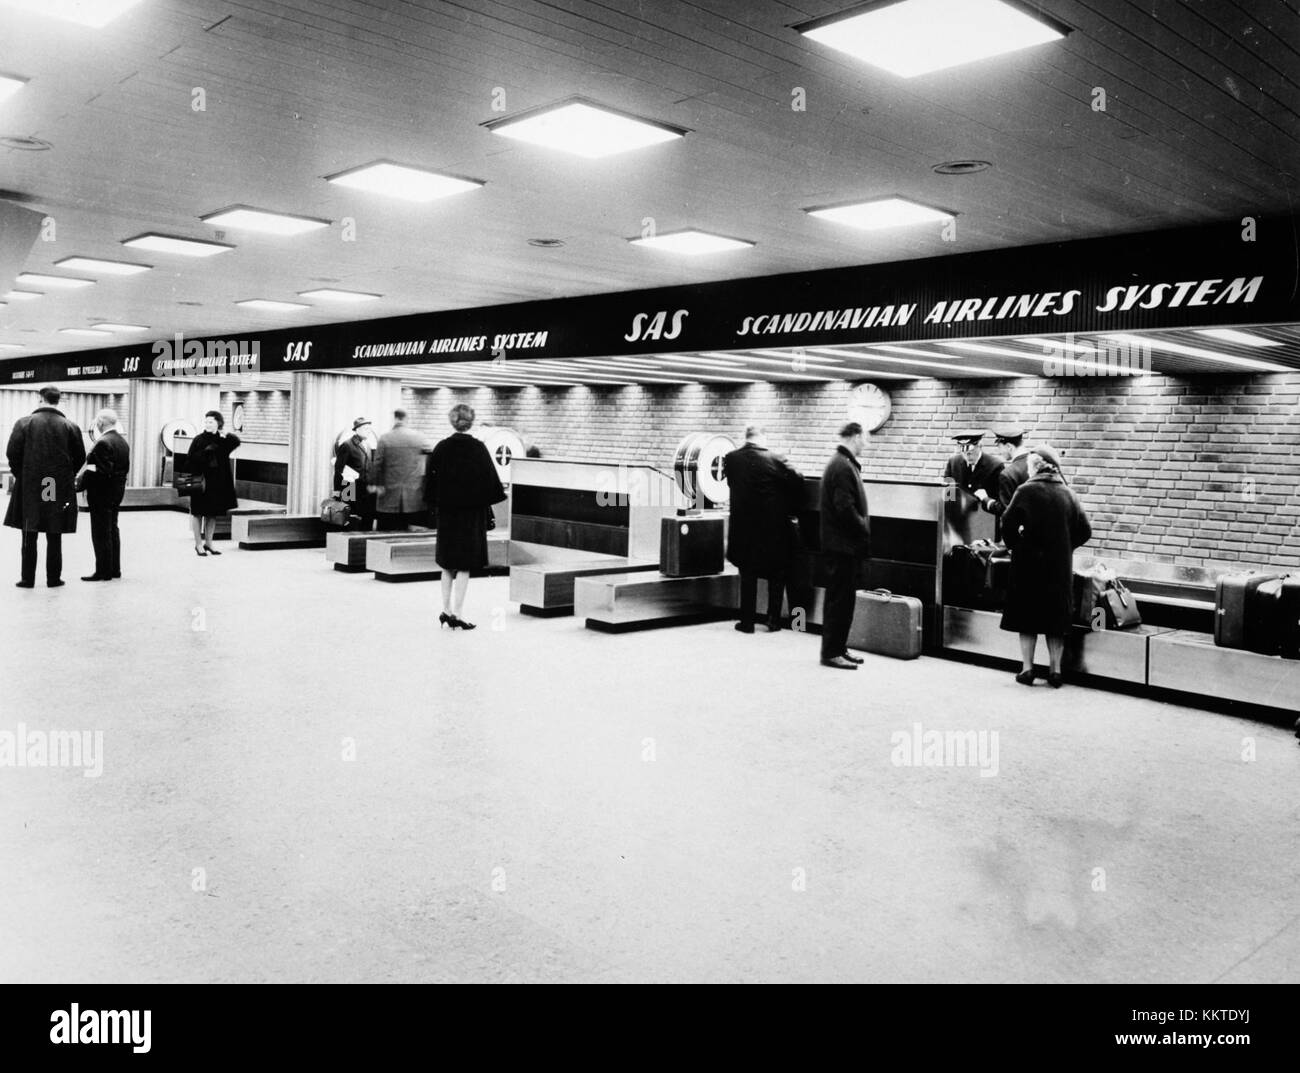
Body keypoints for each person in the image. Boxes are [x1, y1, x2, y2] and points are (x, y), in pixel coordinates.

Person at [999, 445, 1091, 688]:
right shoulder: (1068, 494)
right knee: (1055, 619)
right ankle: (1055, 671)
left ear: (1034, 467)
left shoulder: (1025, 491)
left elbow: (1006, 523)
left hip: (1027, 565)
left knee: (1026, 618)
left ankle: (1027, 669)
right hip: (1057, 567)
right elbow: (1085, 530)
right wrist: (1066, 547)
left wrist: (1015, 544)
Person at [424, 404, 506, 630]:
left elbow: (430, 484)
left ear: (452, 421)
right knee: (465, 564)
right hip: (471, 515)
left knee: (446, 562)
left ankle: (445, 610)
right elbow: (491, 484)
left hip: (448, 514)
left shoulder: (441, 447)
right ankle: (458, 614)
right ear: (471, 421)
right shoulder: (478, 448)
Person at [724, 423, 804, 633]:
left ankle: (747, 622)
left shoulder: (731, 458)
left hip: (743, 529)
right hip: (773, 530)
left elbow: (732, 484)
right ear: (763, 438)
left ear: (747, 437)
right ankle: (774, 620)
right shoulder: (776, 459)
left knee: (747, 575)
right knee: (777, 574)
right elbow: (798, 478)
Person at [4, 385, 86, 588]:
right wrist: (68, 475)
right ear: (58, 401)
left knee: (28, 533)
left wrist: (21, 474)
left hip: (30, 486)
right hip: (56, 487)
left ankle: (27, 578)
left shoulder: (24, 423)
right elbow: (80, 456)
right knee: (54, 533)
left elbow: (12, 453)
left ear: (40, 399)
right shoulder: (70, 426)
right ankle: (53, 578)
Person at [818, 422, 871, 669]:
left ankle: (838, 647)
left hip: (841, 546)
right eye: (865, 438)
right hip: (842, 547)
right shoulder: (842, 466)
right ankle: (831, 652)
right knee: (839, 601)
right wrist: (862, 527)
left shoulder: (842, 462)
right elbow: (844, 507)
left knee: (842, 600)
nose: (866, 443)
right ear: (856, 436)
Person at [80, 408, 130, 582]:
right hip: (116, 493)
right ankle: (114, 569)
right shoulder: (122, 442)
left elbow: (99, 471)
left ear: (101, 422)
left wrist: (81, 483)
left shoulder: (102, 442)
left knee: (100, 532)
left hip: (101, 495)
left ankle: (103, 571)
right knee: (112, 530)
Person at [182, 410, 240, 556]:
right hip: (201, 482)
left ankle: (209, 543)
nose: (207, 424)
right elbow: (190, 459)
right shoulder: (198, 439)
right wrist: (206, 453)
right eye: (206, 421)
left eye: (211, 422)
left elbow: (236, 442)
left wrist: (225, 433)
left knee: (212, 514)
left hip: (216, 483)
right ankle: (198, 544)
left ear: (218, 423)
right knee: (197, 513)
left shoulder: (221, 439)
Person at [369, 409, 430, 531]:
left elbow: (377, 464)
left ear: (395, 419)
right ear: (407, 419)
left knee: (387, 531)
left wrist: (374, 484)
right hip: (413, 494)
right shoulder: (419, 437)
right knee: (411, 533)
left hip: (389, 495)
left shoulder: (384, 438)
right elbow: (433, 453)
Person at [333, 417, 377, 530]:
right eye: (366, 429)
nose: (368, 431)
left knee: (367, 518)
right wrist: (337, 491)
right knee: (352, 519)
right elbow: (339, 469)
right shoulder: (347, 445)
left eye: (369, 429)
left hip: (366, 490)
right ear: (357, 430)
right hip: (351, 489)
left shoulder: (367, 445)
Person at [943, 431, 1003, 506]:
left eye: (970, 452)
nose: (967, 456)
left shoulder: (995, 465)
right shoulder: (953, 462)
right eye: (964, 453)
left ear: (980, 446)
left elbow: (999, 499)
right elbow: (948, 494)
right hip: (959, 513)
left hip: (984, 514)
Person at [986, 426, 1032, 516]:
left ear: (1009, 447)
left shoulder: (1008, 474)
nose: (999, 452)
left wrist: (986, 500)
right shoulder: (1040, 463)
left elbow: (1005, 512)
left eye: (999, 447)